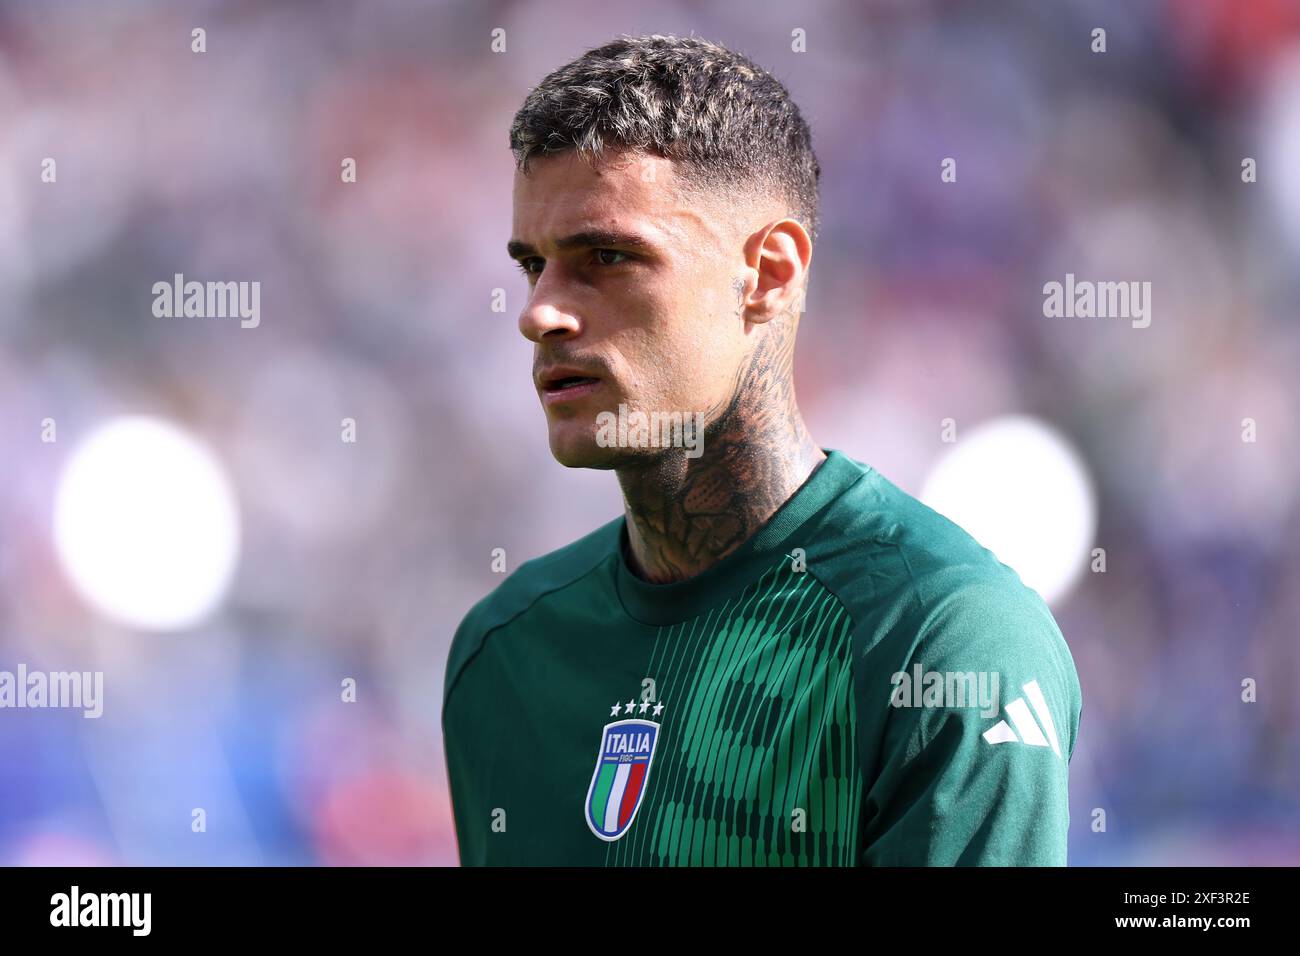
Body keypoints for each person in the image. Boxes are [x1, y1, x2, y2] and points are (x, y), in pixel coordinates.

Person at [442, 33, 1082, 866]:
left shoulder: (951, 644)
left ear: (769, 274)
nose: (540, 313)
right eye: (534, 266)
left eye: (606, 257)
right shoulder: (507, 654)